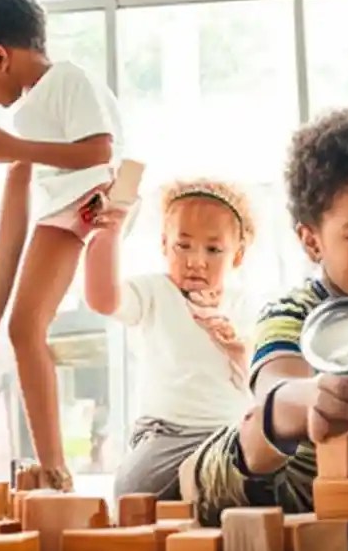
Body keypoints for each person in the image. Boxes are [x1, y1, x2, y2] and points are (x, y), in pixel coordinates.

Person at [182, 106, 348, 525]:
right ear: (312, 241)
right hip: (309, 503)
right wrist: (307, 398)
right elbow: (276, 383)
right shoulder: (295, 313)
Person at [0, 0, 126, 492]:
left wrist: (19, 146)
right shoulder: (24, 116)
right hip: (65, 216)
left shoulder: (67, 80)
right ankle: (53, 470)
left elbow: (98, 151)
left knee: (29, 329)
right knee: (23, 330)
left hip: (93, 202)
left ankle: (54, 473)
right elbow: (11, 232)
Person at [84, 178, 259, 501]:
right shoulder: (154, 291)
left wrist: (236, 349)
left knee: (266, 479)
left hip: (229, 432)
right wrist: (108, 235)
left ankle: (205, 488)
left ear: (237, 256)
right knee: (132, 492)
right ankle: (198, 484)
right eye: (183, 245)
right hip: (168, 432)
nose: (196, 260)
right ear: (164, 245)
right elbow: (102, 299)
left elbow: (258, 379)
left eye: (214, 249)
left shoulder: (242, 305)